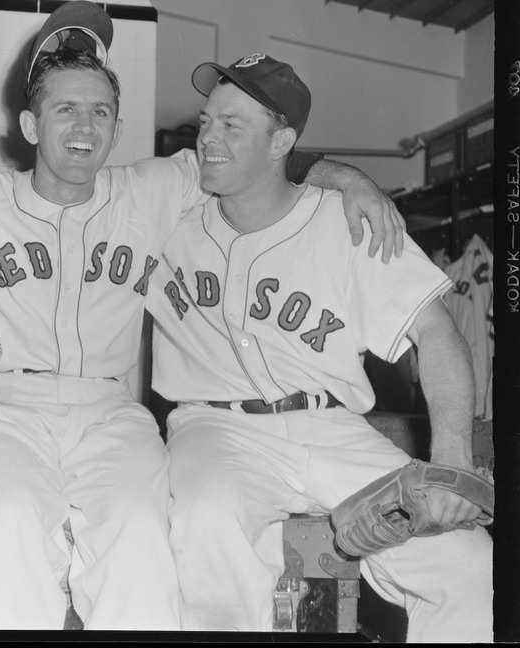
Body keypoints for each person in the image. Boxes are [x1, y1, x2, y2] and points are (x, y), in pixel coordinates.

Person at [0, 2, 405, 630]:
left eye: (101, 112)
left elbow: (256, 157)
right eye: (64, 111)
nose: (84, 127)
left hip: (110, 411)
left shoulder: (154, 187)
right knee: (10, 524)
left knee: (142, 529)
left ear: (117, 124)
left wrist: (343, 174)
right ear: (29, 126)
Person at [147, 53, 493, 639]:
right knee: (205, 526)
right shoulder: (167, 209)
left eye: (232, 125)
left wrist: (453, 462)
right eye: (207, 121)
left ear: (281, 140)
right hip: (215, 428)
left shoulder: (349, 222)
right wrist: (346, 170)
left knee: (469, 561)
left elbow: (437, 333)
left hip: (331, 428)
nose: (208, 138)